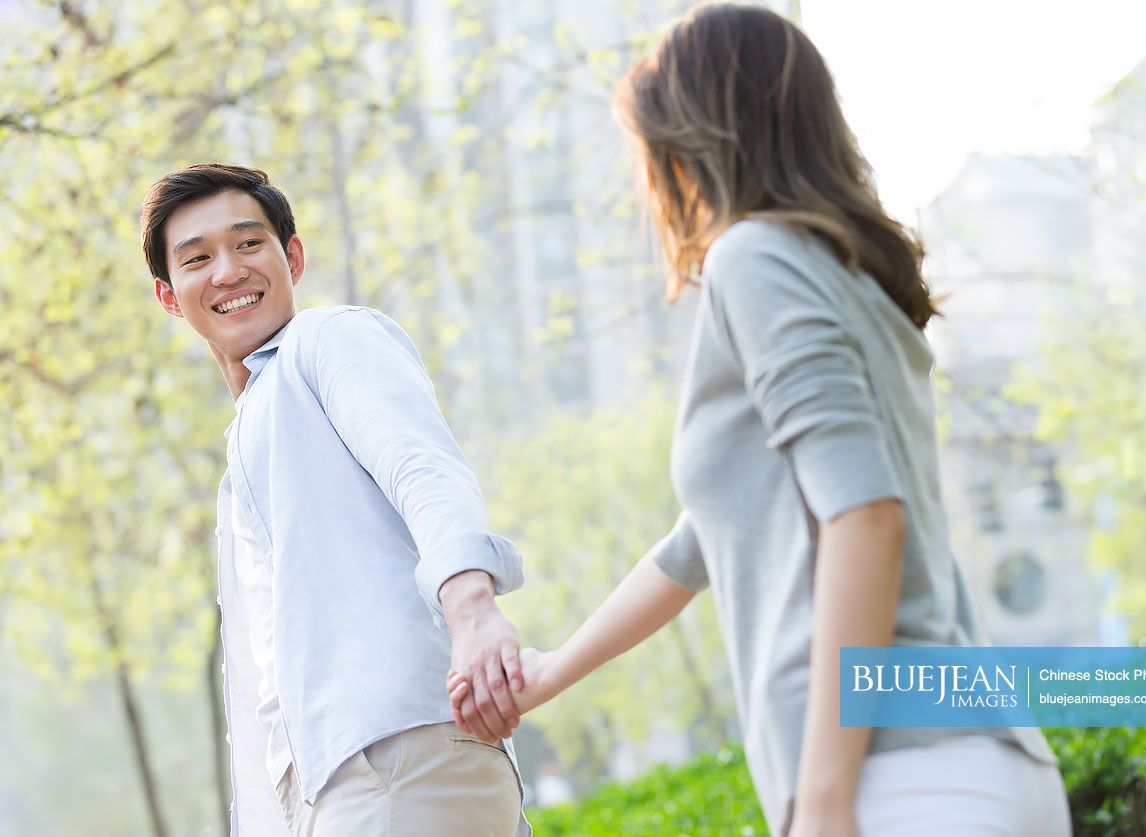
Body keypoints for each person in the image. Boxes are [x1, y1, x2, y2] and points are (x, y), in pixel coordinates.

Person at [448, 4, 1071, 836]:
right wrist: (552, 670)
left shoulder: (756, 259)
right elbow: (704, 537)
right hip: (966, 765)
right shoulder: (845, 274)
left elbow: (866, 517)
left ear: (694, 137)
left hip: (897, 777)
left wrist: (821, 800)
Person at [142, 164, 530, 836]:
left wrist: (471, 607)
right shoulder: (247, 445)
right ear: (170, 296)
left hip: (393, 753)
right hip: (342, 784)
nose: (228, 271)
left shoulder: (327, 341)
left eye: (248, 244)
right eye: (198, 258)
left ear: (292, 255)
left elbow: (421, 466)